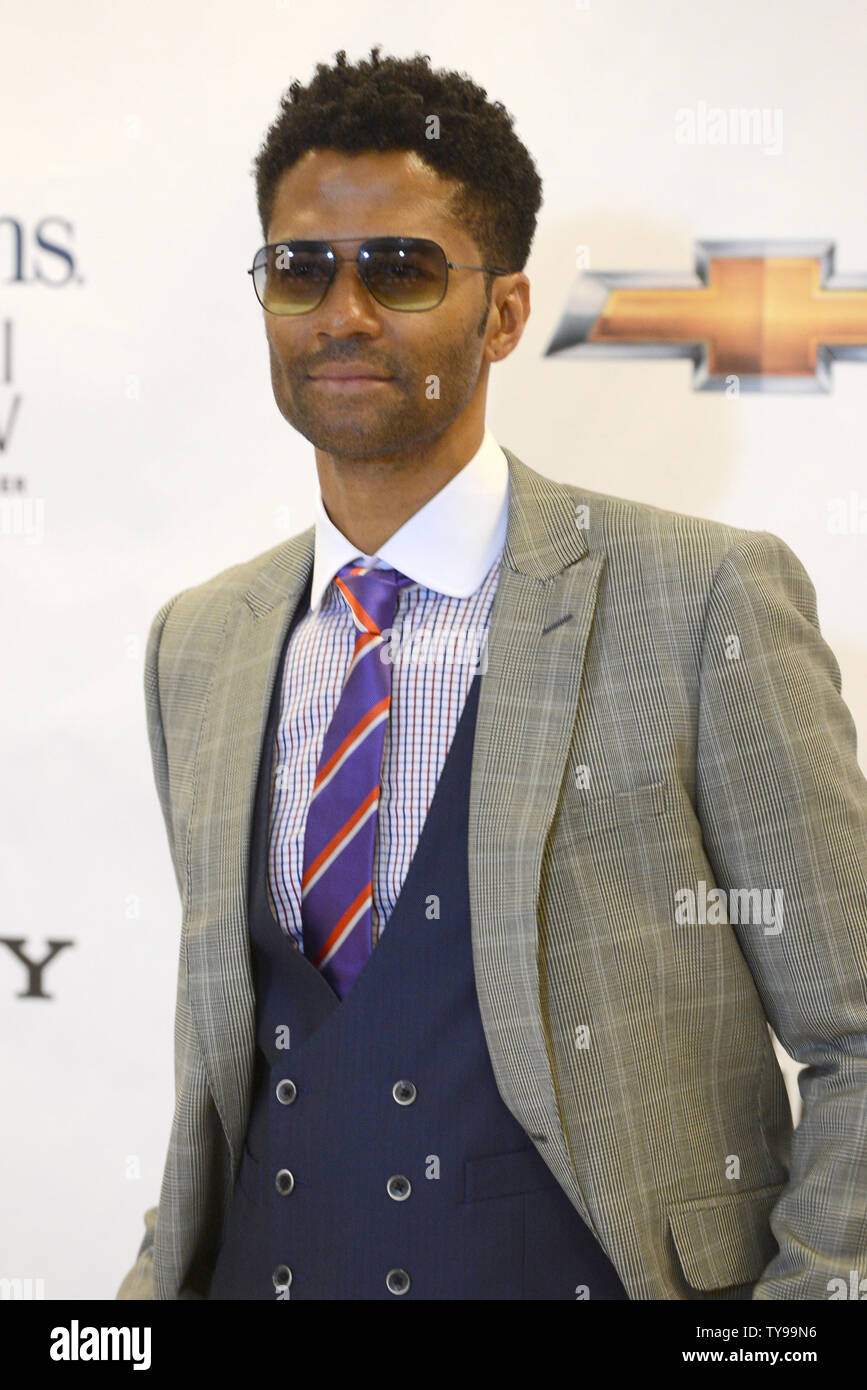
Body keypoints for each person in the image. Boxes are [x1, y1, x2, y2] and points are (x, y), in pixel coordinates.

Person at [116, 47, 867, 1301]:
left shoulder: (698, 598)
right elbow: (232, 1077)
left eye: (400, 269)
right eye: (302, 269)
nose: (343, 313)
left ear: (504, 312)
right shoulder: (201, 642)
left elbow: (855, 1036)